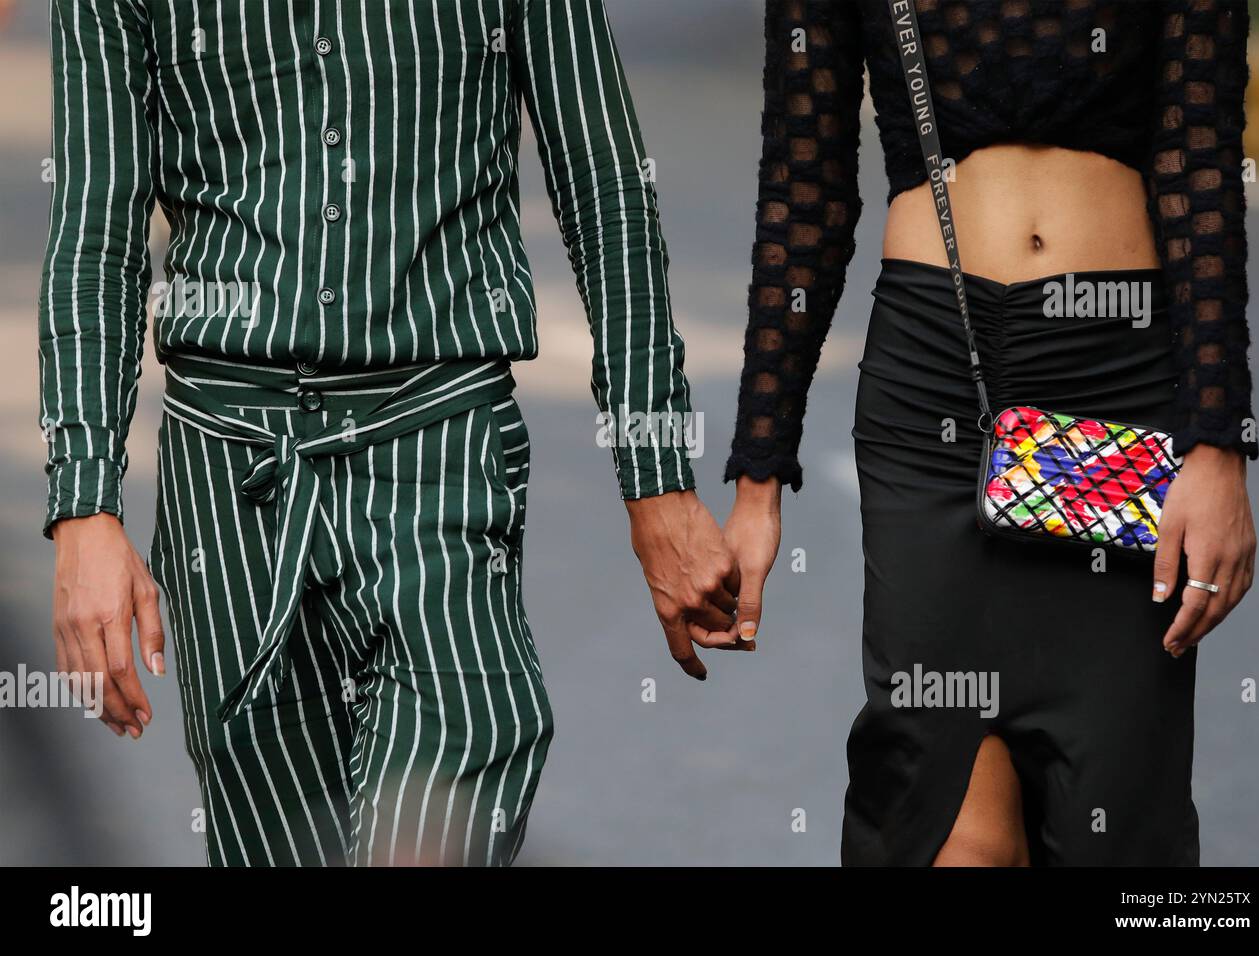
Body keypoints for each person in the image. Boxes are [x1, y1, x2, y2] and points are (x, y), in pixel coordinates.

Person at [39, 0, 744, 867]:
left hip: (439, 446)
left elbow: (606, 184)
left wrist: (658, 477)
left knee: (451, 798)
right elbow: (93, 222)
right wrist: (83, 510)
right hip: (227, 480)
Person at [722, 0, 1257, 865]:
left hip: (1117, 394)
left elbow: (1201, 162)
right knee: (944, 820)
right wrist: (758, 472)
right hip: (931, 387)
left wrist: (1218, 441)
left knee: (1117, 824)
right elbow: (802, 188)